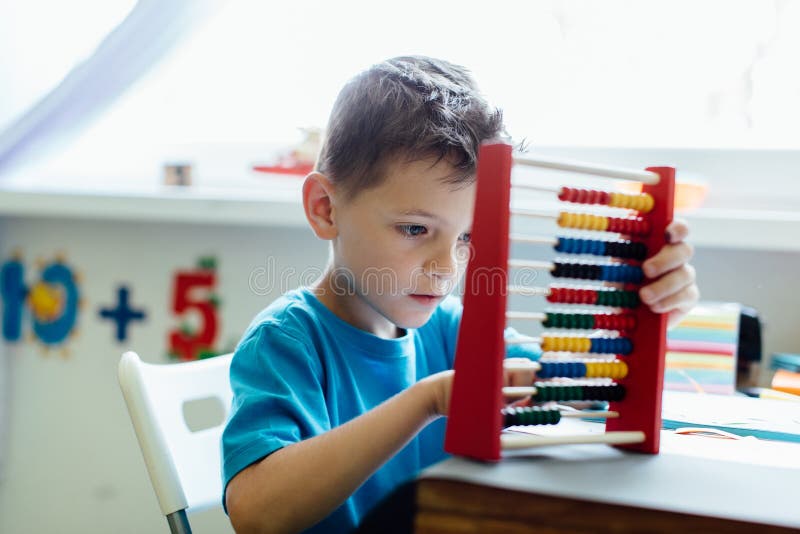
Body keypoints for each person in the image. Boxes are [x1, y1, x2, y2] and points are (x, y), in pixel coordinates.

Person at [222, 56, 699, 534]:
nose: (446, 265)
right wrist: (427, 401)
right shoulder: (287, 343)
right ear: (326, 209)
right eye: (415, 227)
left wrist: (645, 318)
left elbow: (575, 390)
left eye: (467, 238)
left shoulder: (451, 328)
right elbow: (256, 513)